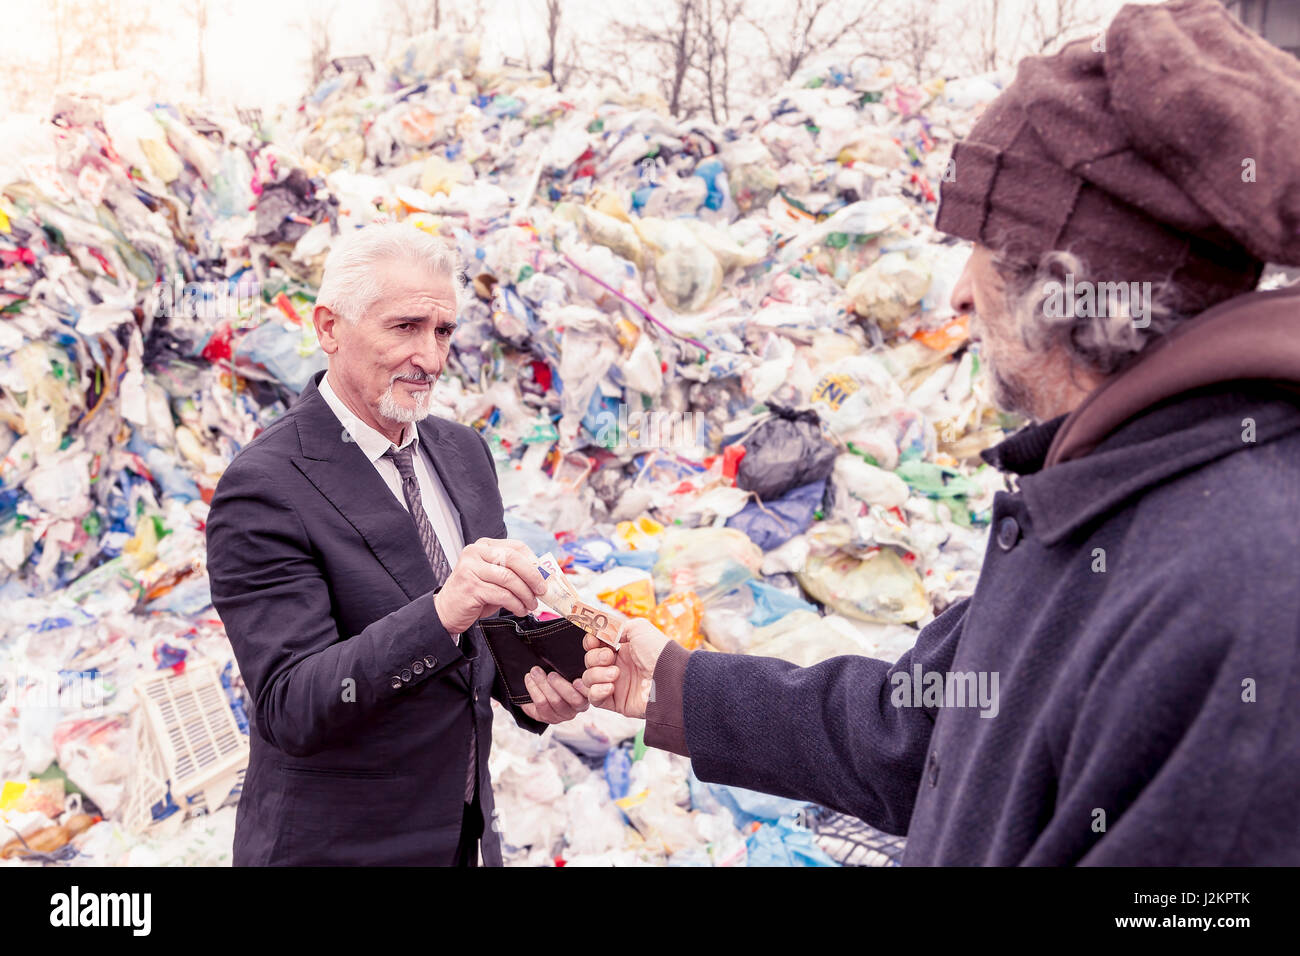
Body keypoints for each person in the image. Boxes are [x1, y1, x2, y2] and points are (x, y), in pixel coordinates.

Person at [583, 0, 1300, 865]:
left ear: (1066, 283)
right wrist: (670, 681)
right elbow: (920, 733)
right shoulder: (1106, 493)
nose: (958, 296)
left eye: (984, 252)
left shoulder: (1243, 582)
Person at [205, 223, 589, 866]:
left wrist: (538, 687)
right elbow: (291, 706)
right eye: (405, 327)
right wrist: (443, 611)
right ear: (329, 328)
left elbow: (481, 640)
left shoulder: (462, 453)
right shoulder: (265, 486)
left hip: (463, 838)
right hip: (337, 850)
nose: (432, 359)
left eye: (442, 332)